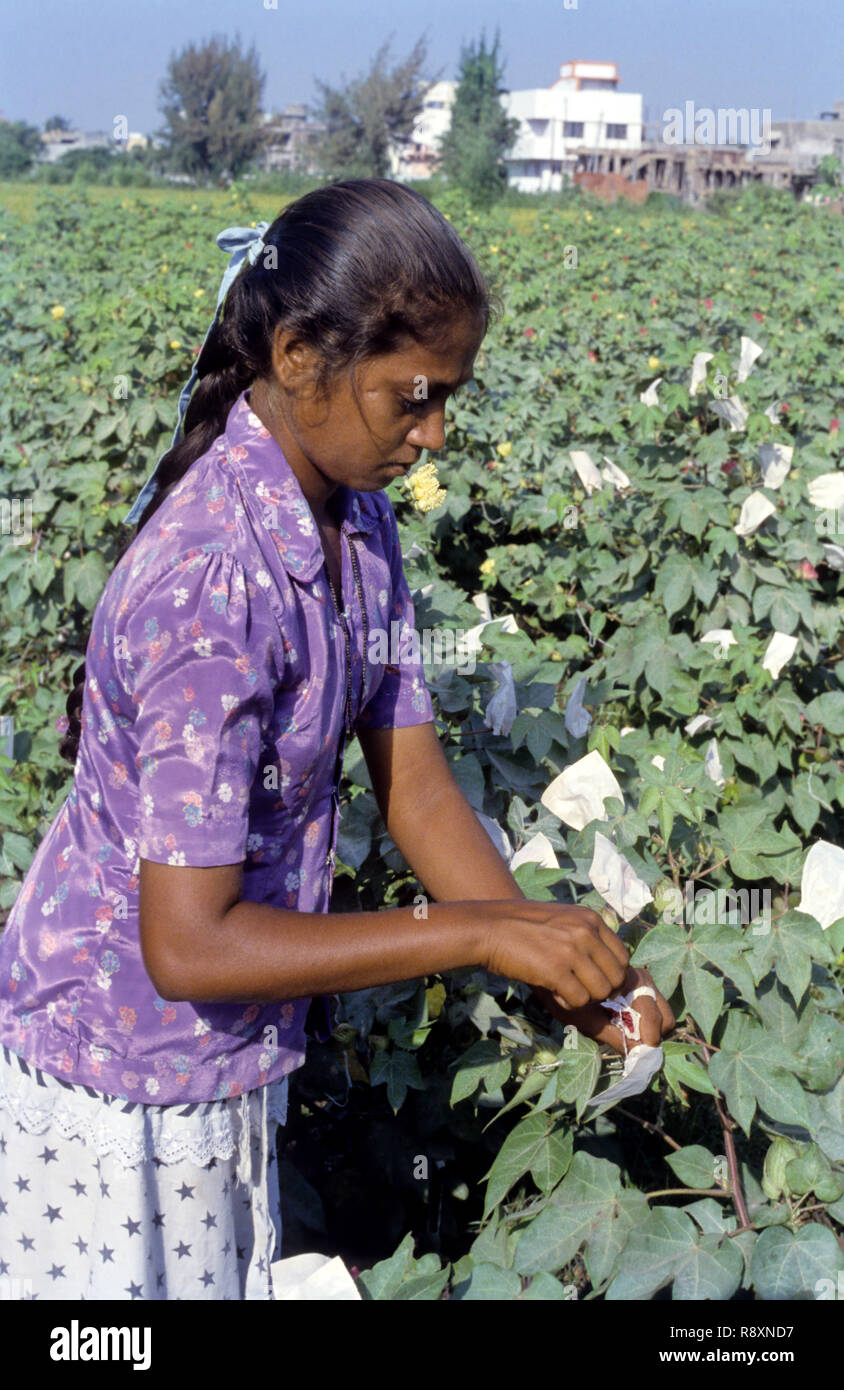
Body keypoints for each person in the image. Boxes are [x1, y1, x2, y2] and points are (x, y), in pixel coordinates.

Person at [0, 178, 674, 1301]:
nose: (435, 435)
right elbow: (190, 946)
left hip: (221, 1062)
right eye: (413, 399)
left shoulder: (355, 520)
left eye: (449, 398)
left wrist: (571, 975)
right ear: (301, 356)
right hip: (112, 1082)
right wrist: (473, 935)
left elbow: (413, 785)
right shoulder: (214, 577)